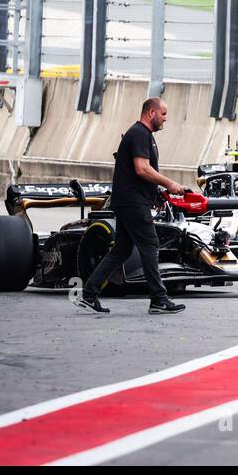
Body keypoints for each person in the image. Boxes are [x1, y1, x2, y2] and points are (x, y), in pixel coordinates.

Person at [76, 97, 187, 315]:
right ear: (152, 112)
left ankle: (89, 293)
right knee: (150, 244)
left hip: (131, 200)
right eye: (163, 114)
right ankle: (158, 299)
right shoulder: (138, 134)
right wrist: (169, 183)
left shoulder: (145, 136)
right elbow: (141, 169)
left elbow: (140, 174)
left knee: (122, 250)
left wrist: (155, 195)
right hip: (131, 201)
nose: (166, 118)